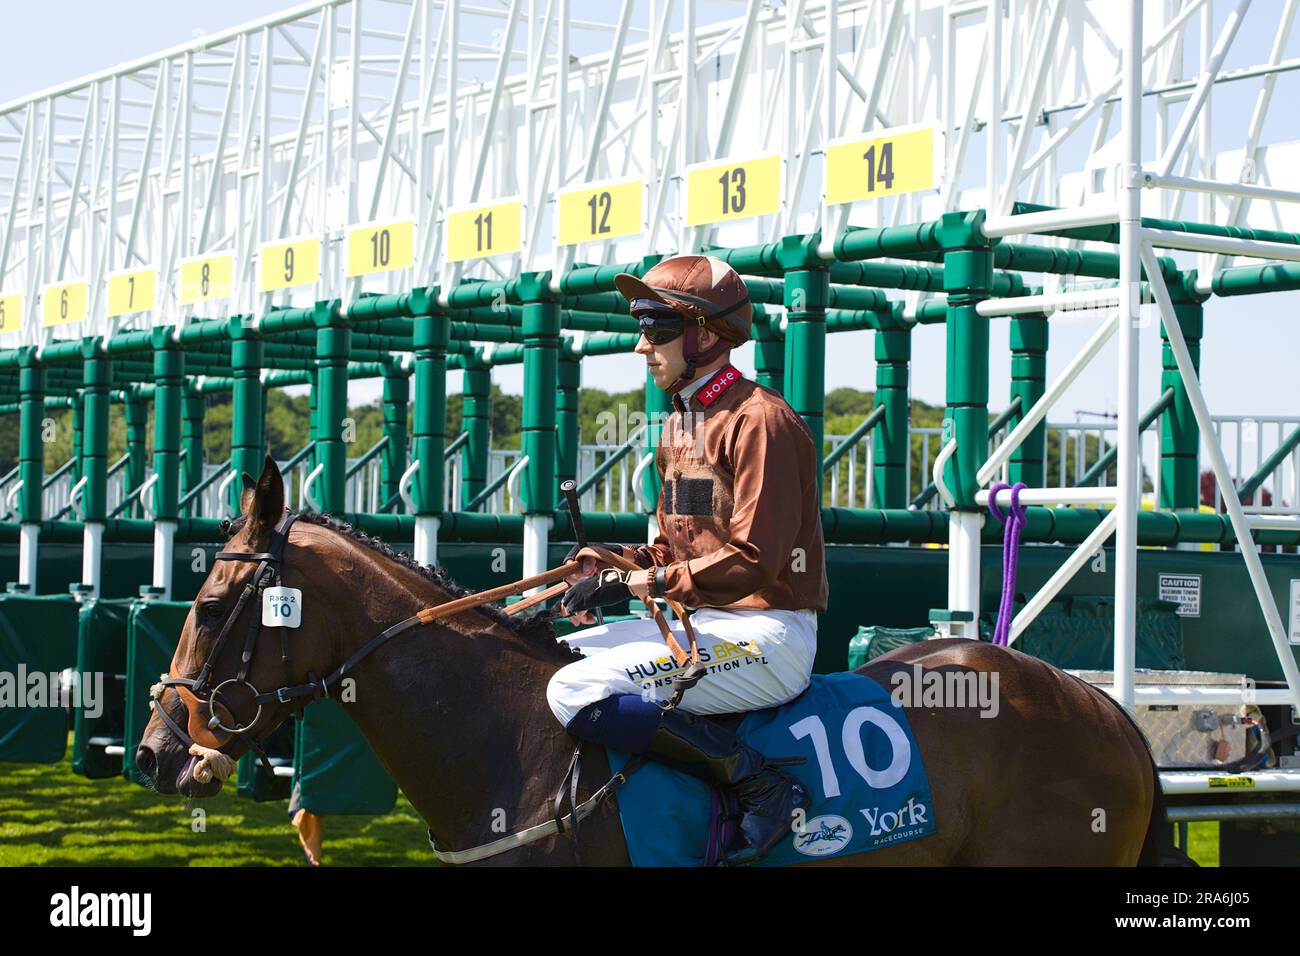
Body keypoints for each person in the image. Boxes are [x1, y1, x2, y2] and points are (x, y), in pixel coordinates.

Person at [546, 254, 829, 865]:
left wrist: (642, 581)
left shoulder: (763, 423)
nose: (641, 344)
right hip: (699, 625)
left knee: (576, 689)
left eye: (657, 327)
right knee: (551, 656)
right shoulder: (681, 425)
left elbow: (754, 560)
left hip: (767, 634)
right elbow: (676, 551)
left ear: (706, 335)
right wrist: (609, 565)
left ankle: (759, 781)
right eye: (640, 325)